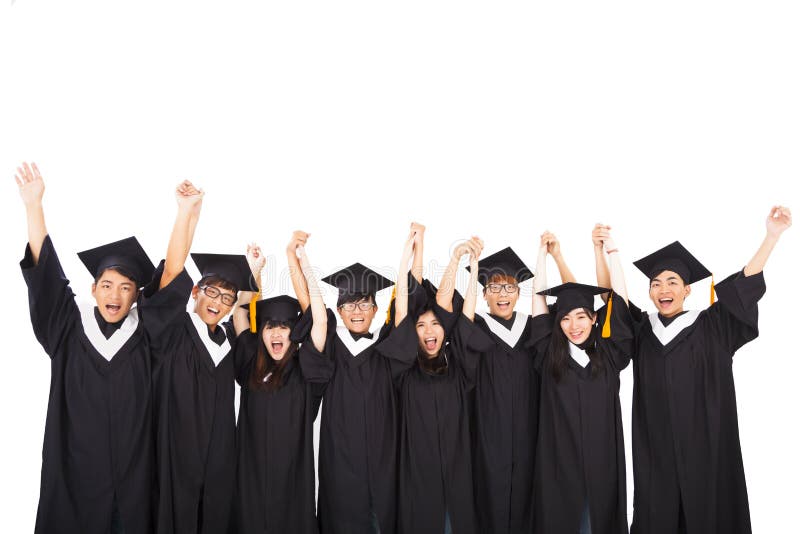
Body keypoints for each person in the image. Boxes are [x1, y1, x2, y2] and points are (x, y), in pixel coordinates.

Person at [619, 207, 792, 534]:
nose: (663, 289)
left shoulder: (713, 326)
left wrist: (771, 237)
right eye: (656, 283)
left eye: (673, 282)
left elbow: (742, 288)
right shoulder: (643, 331)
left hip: (708, 448)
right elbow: (615, 302)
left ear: (687, 290)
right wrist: (607, 252)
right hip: (657, 452)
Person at [16, 161, 164, 534]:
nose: (115, 294)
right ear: (93, 289)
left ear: (136, 297)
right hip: (76, 485)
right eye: (107, 284)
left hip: (133, 488)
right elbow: (47, 279)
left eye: (126, 287)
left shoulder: (147, 336)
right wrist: (34, 207)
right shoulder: (68, 327)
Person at [145, 180, 258, 534]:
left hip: (218, 465)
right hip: (175, 460)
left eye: (227, 298)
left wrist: (254, 276)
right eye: (213, 292)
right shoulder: (173, 329)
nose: (219, 302)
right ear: (195, 292)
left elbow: (249, 332)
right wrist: (187, 213)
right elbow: (171, 273)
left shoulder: (227, 343)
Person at [299, 223, 425, 534]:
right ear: (339, 311)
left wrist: (408, 255)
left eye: (365, 303)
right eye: (349, 305)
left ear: (375, 308)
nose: (357, 310)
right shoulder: (331, 348)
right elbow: (313, 312)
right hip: (340, 467)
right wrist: (301, 259)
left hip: (385, 464)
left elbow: (405, 309)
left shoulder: (386, 349)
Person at [448, 243, 573, 534]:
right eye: (494, 287)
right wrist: (471, 266)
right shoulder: (476, 327)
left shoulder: (534, 329)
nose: (502, 294)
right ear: (484, 294)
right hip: (487, 440)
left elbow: (572, 299)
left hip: (532, 436)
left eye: (509, 288)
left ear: (519, 293)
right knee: (487, 502)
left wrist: (556, 256)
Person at [378, 234, 494, 534]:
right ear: (412, 333)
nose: (429, 330)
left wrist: (468, 266)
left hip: (458, 478)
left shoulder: (460, 369)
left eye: (435, 324)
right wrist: (404, 261)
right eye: (420, 325)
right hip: (418, 479)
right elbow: (402, 313)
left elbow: (464, 315)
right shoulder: (403, 372)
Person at [529, 229, 633, 534]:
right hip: (559, 471)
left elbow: (621, 305)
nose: (573, 326)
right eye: (565, 318)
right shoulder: (549, 357)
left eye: (581, 317)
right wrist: (541, 256)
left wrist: (611, 253)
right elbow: (539, 307)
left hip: (603, 470)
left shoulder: (610, 355)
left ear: (594, 319)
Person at [229, 237, 329, 534]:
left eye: (284, 326)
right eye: (270, 326)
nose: (276, 332)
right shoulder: (250, 366)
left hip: (292, 491)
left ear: (295, 335)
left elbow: (319, 320)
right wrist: (253, 271)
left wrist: (298, 259)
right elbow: (240, 312)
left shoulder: (307, 373)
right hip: (249, 484)